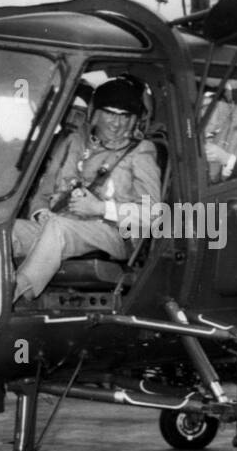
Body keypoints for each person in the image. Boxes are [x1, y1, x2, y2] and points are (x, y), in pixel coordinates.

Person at [11, 77, 162, 301]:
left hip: (112, 233)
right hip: (58, 223)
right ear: (95, 113)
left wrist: (100, 208)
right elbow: (44, 192)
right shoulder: (73, 142)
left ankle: (11, 297)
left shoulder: (141, 151)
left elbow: (153, 215)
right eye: (110, 113)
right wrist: (40, 212)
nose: (117, 123)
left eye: (125, 116)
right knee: (8, 231)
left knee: (58, 228)